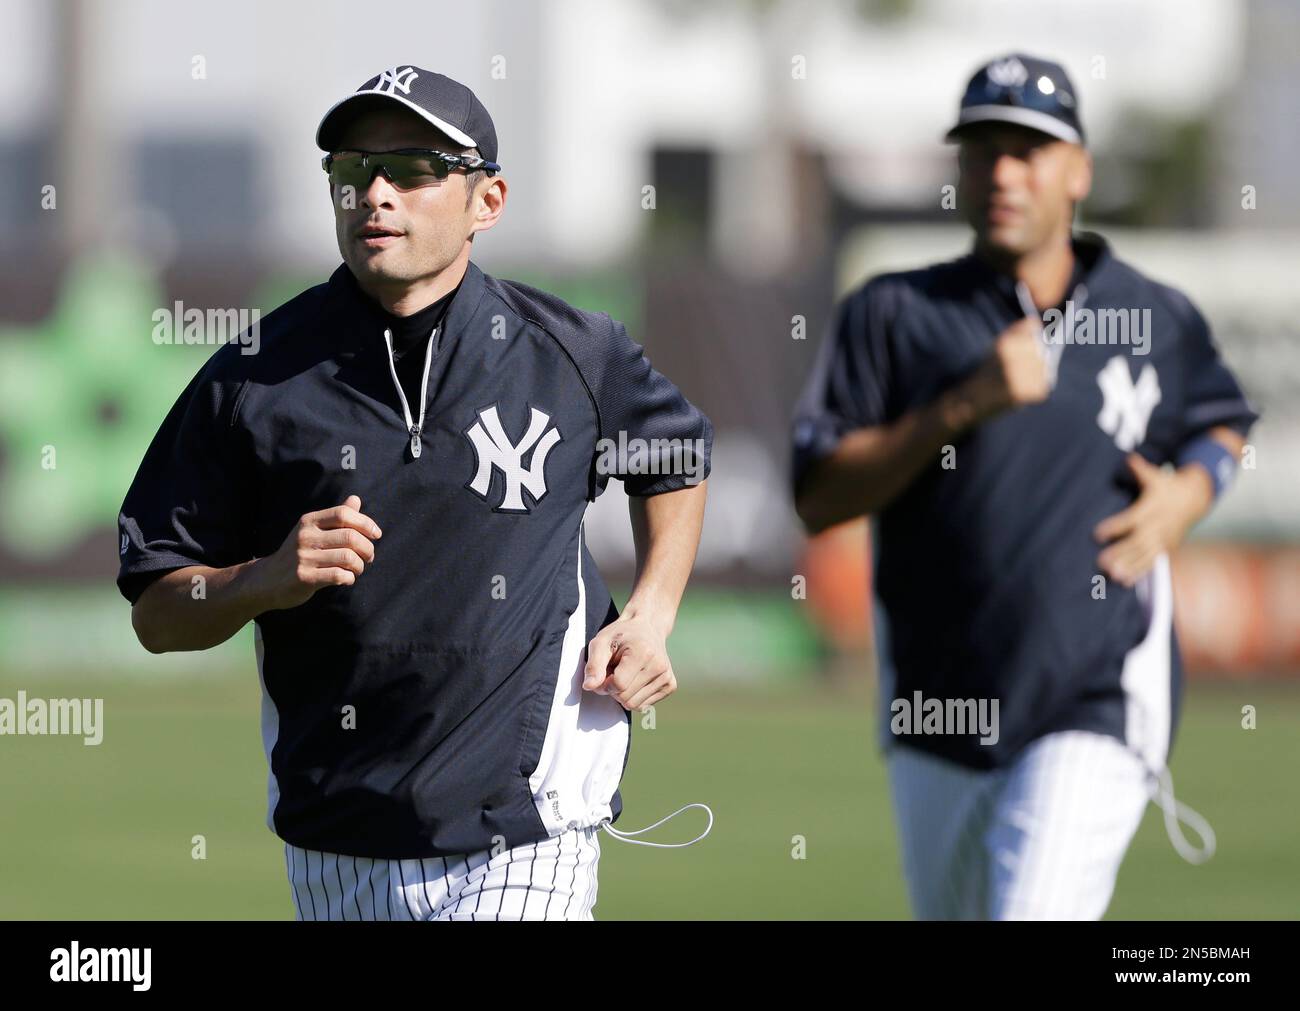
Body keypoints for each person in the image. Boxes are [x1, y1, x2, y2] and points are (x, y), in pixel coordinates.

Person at [117, 65, 712, 920]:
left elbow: (676, 457)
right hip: (338, 839)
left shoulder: (573, 352)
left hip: (527, 827)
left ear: (488, 200)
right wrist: (262, 580)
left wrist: (652, 612)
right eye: (352, 171)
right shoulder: (253, 378)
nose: (375, 194)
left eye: (413, 169)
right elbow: (158, 612)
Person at [792, 53, 1256, 919]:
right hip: (936, 711)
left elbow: (1225, 419)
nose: (1003, 172)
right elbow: (819, 495)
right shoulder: (894, 312)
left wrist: (1191, 492)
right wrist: (964, 402)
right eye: (982, 149)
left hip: (1093, 692)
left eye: (1028, 149)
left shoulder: (1152, 313)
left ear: (1078, 168)